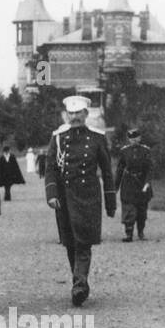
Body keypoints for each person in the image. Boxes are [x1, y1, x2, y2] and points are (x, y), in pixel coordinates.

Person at [44, 95, 115, 307]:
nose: (74, 117)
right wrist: (52, 194)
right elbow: (51, 168)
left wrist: (110, 201)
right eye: (71, 113)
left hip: (88, 195)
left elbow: (107, 171)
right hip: (65, 196)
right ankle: (79, 279)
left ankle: (80, 282)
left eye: (78, 113)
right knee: (69, 241)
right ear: (67, 114)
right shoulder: (58, 137)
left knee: (83, 240)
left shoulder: (97, 137)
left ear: (86, 114)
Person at [115, 127, 153, 241]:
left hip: (141, 182)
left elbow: (150, 169)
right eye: (131, 138)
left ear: (140, 138)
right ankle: (129, 233)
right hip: (128, 183)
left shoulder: (146, 150)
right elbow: (119, 169)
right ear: (128, 139)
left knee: (142, 209)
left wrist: (147, 183)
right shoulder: (124, 151)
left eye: (136, 138)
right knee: (128, 208)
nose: (134, 140)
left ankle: (141, 232)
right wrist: (115, 187)